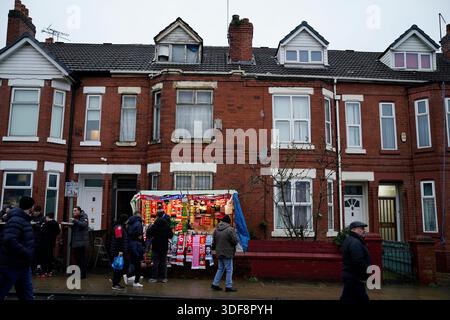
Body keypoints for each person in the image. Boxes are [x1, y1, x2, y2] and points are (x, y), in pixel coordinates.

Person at [0, 196, 36, 301]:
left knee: (27, 295)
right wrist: (26, 252)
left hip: (23, 266)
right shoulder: (16, 220)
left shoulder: (24, 220)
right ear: (31, 208)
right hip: (11, 265)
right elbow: (9, 239)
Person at [340, 221, 371, 303]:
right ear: (353, 230)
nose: (364, 230)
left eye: (364, 228)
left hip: (350, 276)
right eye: (361, 228)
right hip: (354, 278)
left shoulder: (349, 240)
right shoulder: (355, 243)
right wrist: (365, 274)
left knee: (347, 298)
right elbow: (358, 262)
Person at [211, 215, 239, 292]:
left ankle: (215, 284)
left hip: (219, 252)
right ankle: (228, 286)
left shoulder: (216, 230)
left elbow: (214, 242)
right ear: (229, 222)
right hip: (228, 252)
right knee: (229, 269)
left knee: (220, 268)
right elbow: (235, 241)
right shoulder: (230, 229)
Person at [146, 210, 173, 283]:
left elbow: (148, 234)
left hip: (156, 246)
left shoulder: (154, 226)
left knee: (155, 262)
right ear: (163, 215)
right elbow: (171, 235)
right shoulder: (167, 226)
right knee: (163, 262)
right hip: (164, 246)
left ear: (157, 216)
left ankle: (154, 277)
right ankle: (164, 278)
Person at [38, 212, 61, 277]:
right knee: (50, 257)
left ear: (48, 217)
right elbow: (58, 232)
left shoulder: (47, 224)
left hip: (45, 243)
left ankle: (44, 272)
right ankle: (49, 271)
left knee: (44, 258)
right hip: (51, 242)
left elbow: (42, 232)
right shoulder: (56, 223)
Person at [125, 214, 144, 288]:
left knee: (132, 262)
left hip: (130, 245)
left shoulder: (130, 223)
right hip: (136, 246)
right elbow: (140, 236)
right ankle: (136, 282)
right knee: (138, 265)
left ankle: (128, 275)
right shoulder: (139, 224)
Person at [111, 214, 129, 290]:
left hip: (119, 250)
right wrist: (120, 251)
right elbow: (118, 240)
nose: (128, 221)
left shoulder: (121, 227)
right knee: (118, 267)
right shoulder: (119, 227)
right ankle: (115, 284)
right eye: (127, 220)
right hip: (118, 251)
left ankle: (115, 281)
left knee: (119, 267)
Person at [70, 206, 89, 279]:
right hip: (76, 241)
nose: (73, 212)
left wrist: (75, 221)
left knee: (81, 259)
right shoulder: (76, 218)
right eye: (73, 211)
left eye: (75, 210)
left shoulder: (84, 216)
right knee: (77, 259)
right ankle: (77, 273)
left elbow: (84, 224)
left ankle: (83, 274)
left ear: (79, 211)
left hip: (81, 242)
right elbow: (77, 227)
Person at [31, 205, 45, 275]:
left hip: (38, 239)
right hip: (31, 238)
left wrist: (35, 225)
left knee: (37, 254)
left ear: (39, 211)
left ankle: (37, 268)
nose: (34, 213)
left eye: (36, 211)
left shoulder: (42, 218)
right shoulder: (31, 217)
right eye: (34, 211)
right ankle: (32, 268)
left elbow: (41, 227)